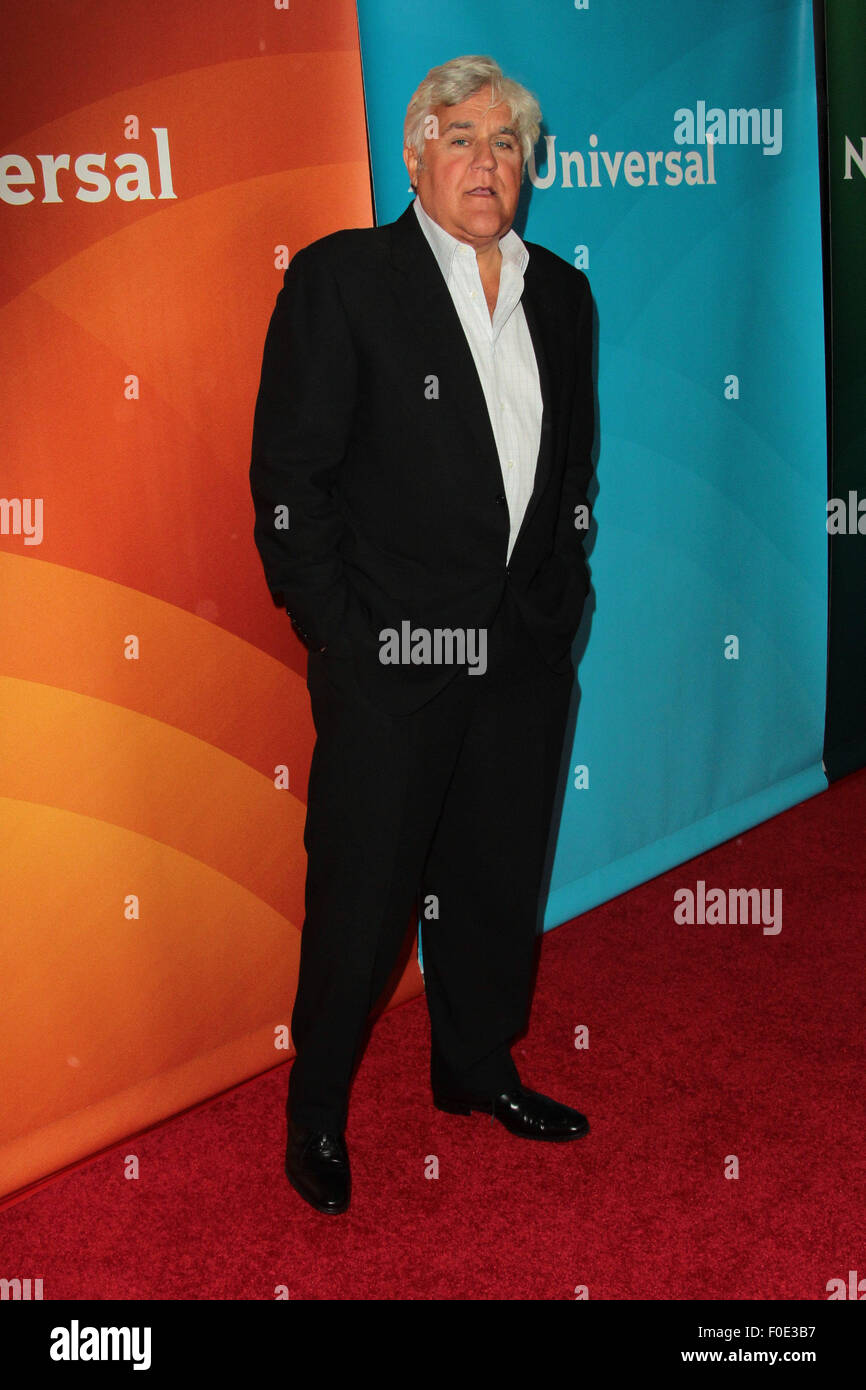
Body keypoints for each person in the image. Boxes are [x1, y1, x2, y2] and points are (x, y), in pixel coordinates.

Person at [250, 54, 596, 1216]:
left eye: (505, 143)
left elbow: (568, 473)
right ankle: (317, 1112)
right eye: (459, 138)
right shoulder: (344, 281)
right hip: (392, 659)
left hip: (520, 656)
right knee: (362, 899)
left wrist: (555, 607)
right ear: (412, 155)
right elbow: (290, 485)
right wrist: (348, 640)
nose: (483, 163)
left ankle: (475, 1067)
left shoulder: (560, 292)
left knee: (493, 879)